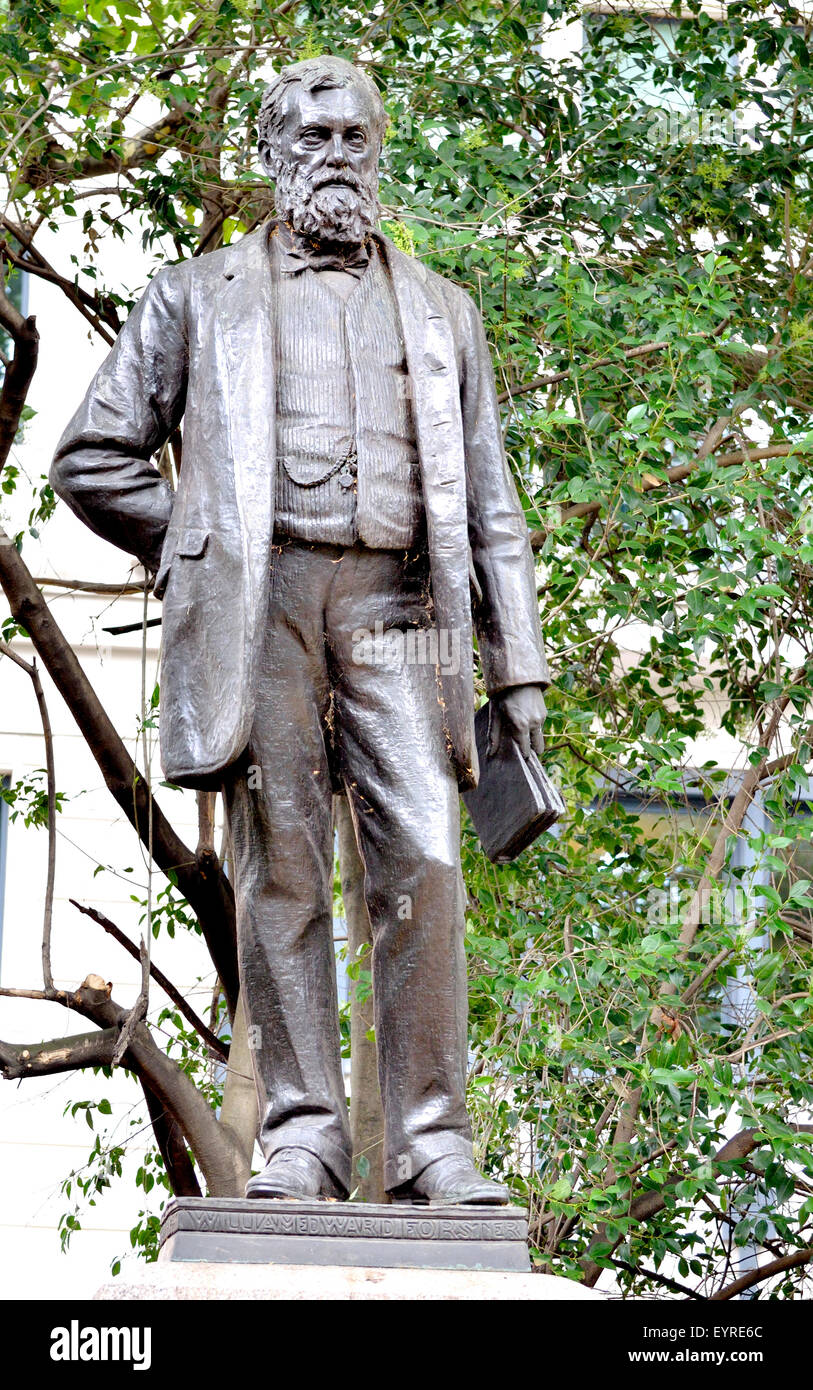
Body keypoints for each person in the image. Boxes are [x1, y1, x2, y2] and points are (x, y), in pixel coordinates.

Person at [51, 56, 549, 1206]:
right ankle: (305, 1138)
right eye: (313, 137)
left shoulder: (442, 312)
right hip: (263, 607)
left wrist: (517, 667)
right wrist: (202, 544)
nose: (335, 157)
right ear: (274, 152)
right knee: (282, 869)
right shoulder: (196, 293)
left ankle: (434, 1142)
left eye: (355, 138)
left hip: (401, 611)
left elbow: (492, 506)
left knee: (424, 854)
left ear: (381, 154)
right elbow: (93, 454)